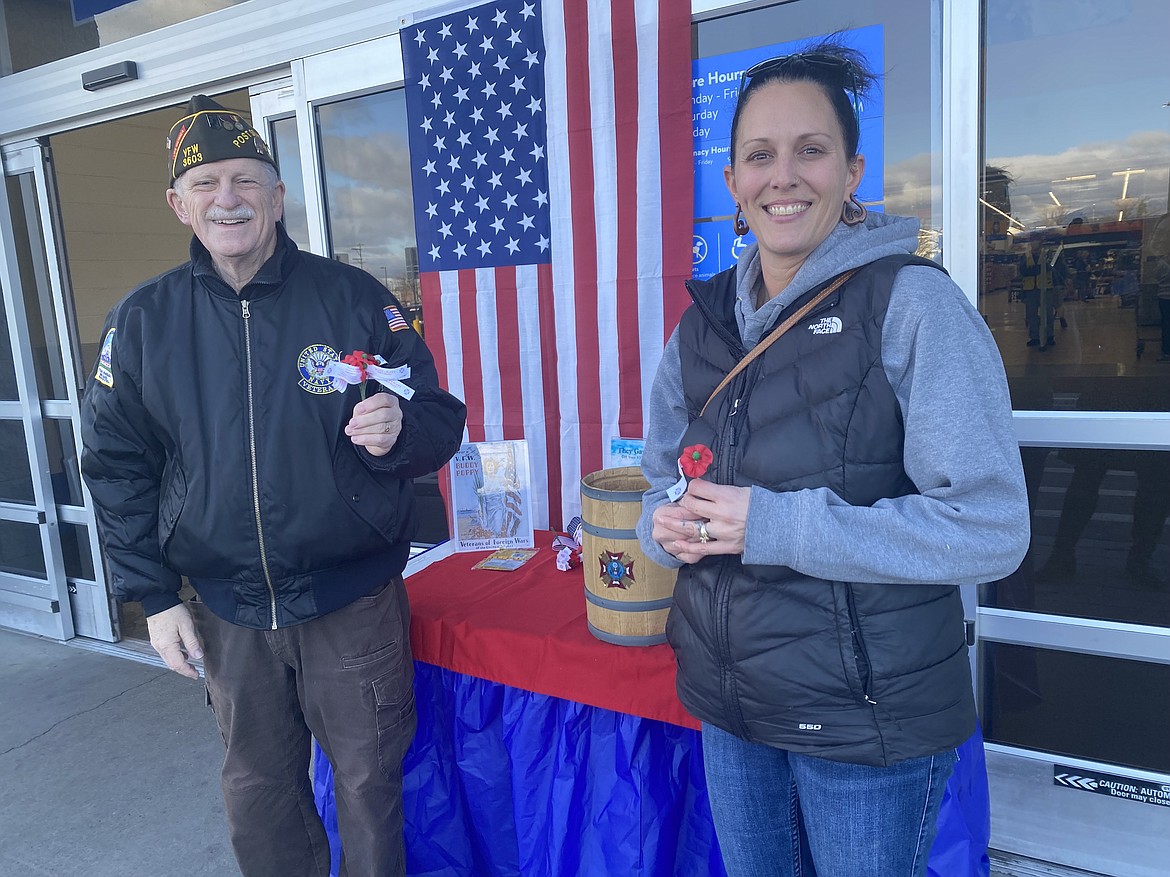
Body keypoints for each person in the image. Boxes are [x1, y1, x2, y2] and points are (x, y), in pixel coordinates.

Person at [636, 40, 1029, 877]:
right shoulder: (701, 324)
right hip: (731, 704)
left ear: (853, 171)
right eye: (759, 155)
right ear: (735, 184)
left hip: (866, 721)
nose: (784, 176)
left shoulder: (912, 302)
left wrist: (774, 524)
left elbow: (990, 525)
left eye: (810, 151)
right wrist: (661, 523)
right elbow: (663, 476)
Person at [80, 95, 466, 877]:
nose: (229, 198)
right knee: (258, 794)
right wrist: (155, 599)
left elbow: (439, 417)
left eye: (248, 179)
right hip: (229, 612)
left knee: (367, 784)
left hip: (351, 604)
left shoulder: (352, 297)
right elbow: (118, 467)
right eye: (208, 183)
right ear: (178, 204)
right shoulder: (145, 321)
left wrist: (400, 430)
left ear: (278, 196)